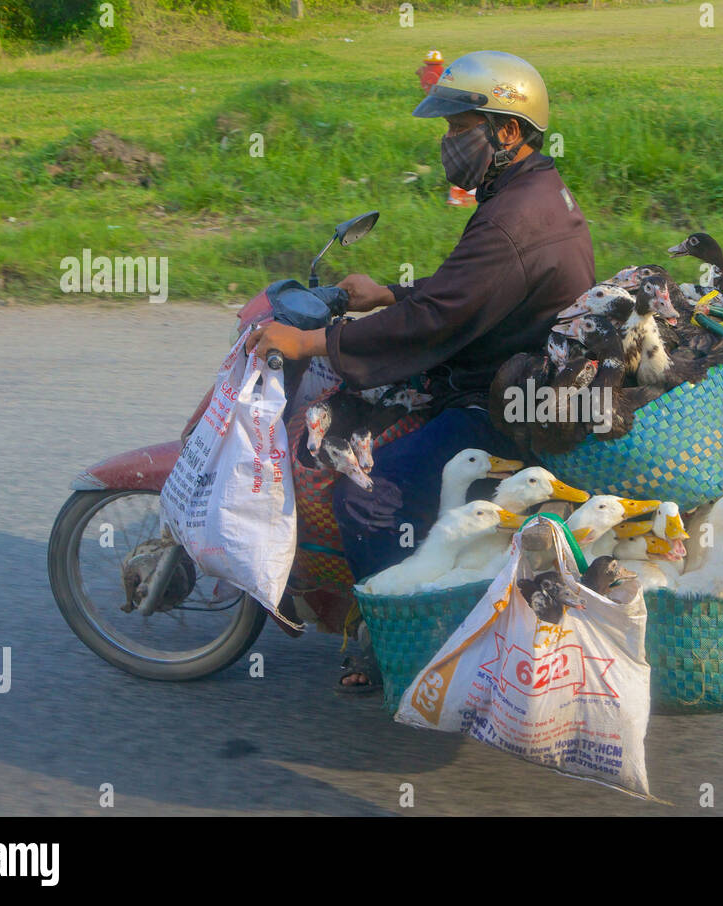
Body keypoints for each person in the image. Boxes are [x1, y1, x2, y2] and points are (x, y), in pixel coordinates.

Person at [248, 51, 596, 690]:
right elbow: (470, 293)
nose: (447, 145)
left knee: (366, 494)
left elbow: (434, 322)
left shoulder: (511, 218)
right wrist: (388, 293)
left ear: (507, 130)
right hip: (514, 380)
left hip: (500, 412)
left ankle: (399, 643)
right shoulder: (533, 193)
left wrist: (311, 343)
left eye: (458, 129)